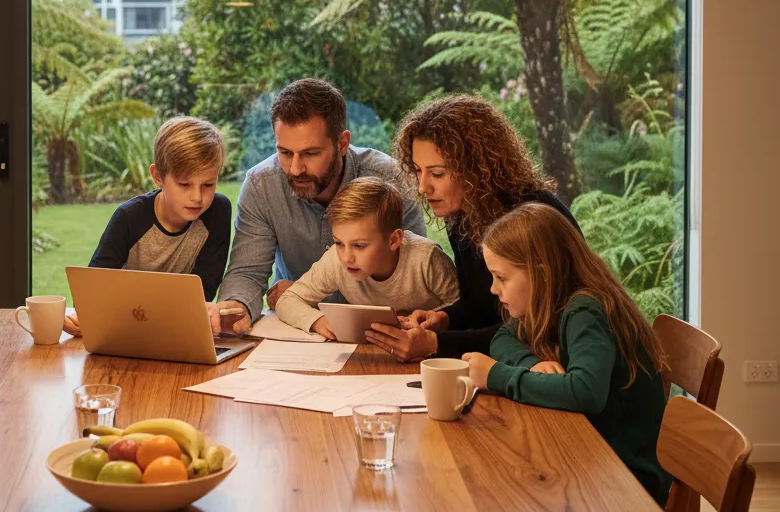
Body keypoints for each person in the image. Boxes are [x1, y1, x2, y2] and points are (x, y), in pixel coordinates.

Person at [461, 202, 670, 505]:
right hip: (596, 453)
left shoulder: (585, 310)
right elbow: (504, 336)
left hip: (626, 476)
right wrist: (533, 364)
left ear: (541, 273)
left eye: (501, 278)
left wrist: (496, 376)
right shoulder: (553, 301)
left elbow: (586, 392)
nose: (494, 289)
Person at [364, 95, 580, 361]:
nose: (422, 187)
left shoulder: (531, 218)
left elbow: (539, 329)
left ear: (477, 167)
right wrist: (444, 319)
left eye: (437, 173)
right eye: (418, 171)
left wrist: (437, 343)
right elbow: (481, 306)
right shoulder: (463, 214)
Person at [208, 79, 428, 335]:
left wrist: (304, 297)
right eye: (285, 152)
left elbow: (416, 276)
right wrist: (237, 306)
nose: (295, 169)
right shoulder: (262, 185)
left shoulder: (393, 180)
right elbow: (247, 272)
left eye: (311, 153)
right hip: (300, 332)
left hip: (383, 335)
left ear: (342, 144)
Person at [63, 116, 230, 335]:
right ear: (158, 177)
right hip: (123, 326)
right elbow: (92, 290)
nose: (197, 197)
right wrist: (88, 317)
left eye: (208, 184)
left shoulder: (217, 212)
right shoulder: (129, 217)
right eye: (184, 184)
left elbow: (204, 293)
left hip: (179, 329)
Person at [275, 176, 458, 339]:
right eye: (339, 243)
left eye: (359, 246)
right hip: (371, 353)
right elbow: (287, 300)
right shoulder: (336, 261)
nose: (347, 257)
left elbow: (465, 309)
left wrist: (436, 323)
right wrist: (319, 321)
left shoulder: (426, 259)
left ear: (394, 240)